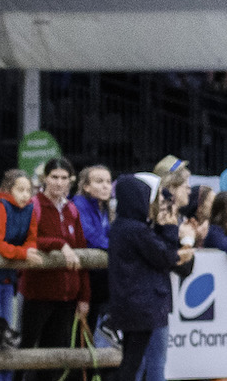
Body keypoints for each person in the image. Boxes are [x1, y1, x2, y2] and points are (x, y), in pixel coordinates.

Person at [107, 174, 195, 381]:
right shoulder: (136, 230)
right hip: (142, 304)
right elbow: (164, 256)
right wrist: (171, 230)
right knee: (133, 362)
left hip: (129, 301)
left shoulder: (121, 226)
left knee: (131, 359)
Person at [19, 158, 90, 381]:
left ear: (70, 181)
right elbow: (28, 239)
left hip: (67, 296)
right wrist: (59, 244)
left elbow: (82, 253)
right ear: (45, 179)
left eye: (64, 178)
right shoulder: (34, 205)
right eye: (54, 177)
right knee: (26, 350)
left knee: (56, 357)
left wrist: (84, 296)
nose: (59, 182)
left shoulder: (72, 210)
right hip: (38, 292)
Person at [0, 170, 43, 381]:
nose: (25, 195)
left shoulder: (30, 210)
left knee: (8, 335)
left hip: (8, 279)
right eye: (20, 190)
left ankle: (6, 378)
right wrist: (22, 254)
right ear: (8, 190)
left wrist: (28, 250)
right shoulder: (1, 207)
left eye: (28, 191)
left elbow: (31, 238)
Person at [73, 166, 113, 334]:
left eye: (108, 182)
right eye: (99, 181)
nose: (105, 186)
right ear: (86, 186)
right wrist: (114, 247)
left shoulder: (104, 207)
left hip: (98, 276)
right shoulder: (79, 204)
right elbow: (88, 235)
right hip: (83, 276)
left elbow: (109, 234)